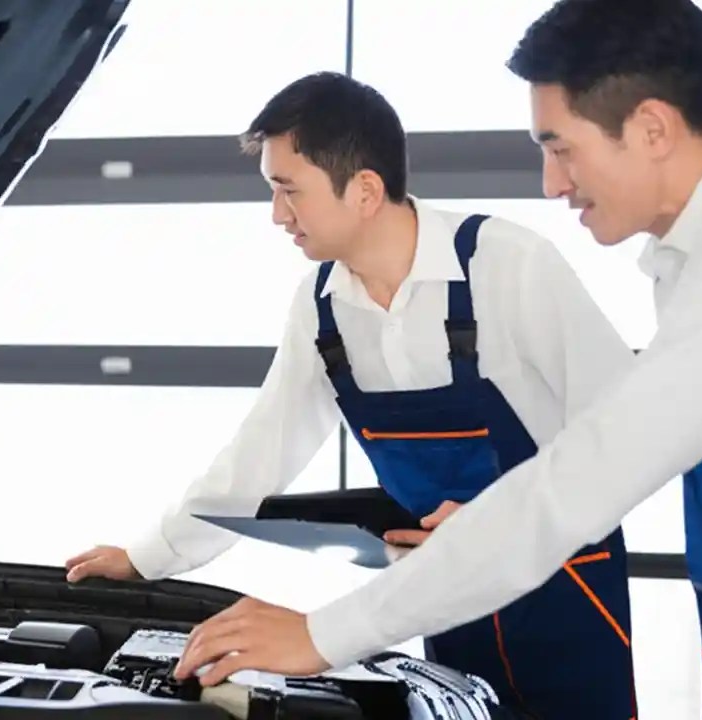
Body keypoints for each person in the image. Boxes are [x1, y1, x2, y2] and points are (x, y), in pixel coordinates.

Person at [171, 2, 702, 719]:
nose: (551, 184)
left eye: (560, 147)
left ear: (650, 128)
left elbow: (585, 476)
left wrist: (324, 632)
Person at [64, 71, 639, 718]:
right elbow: (258, 456)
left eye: (290, 192)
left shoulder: (507, 267)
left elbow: (631, 427)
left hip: (565, 593)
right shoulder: (321, 312)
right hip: (445, 595)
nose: (278, 216)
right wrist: (144, 558)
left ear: (365, 190)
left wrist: (505, 518)